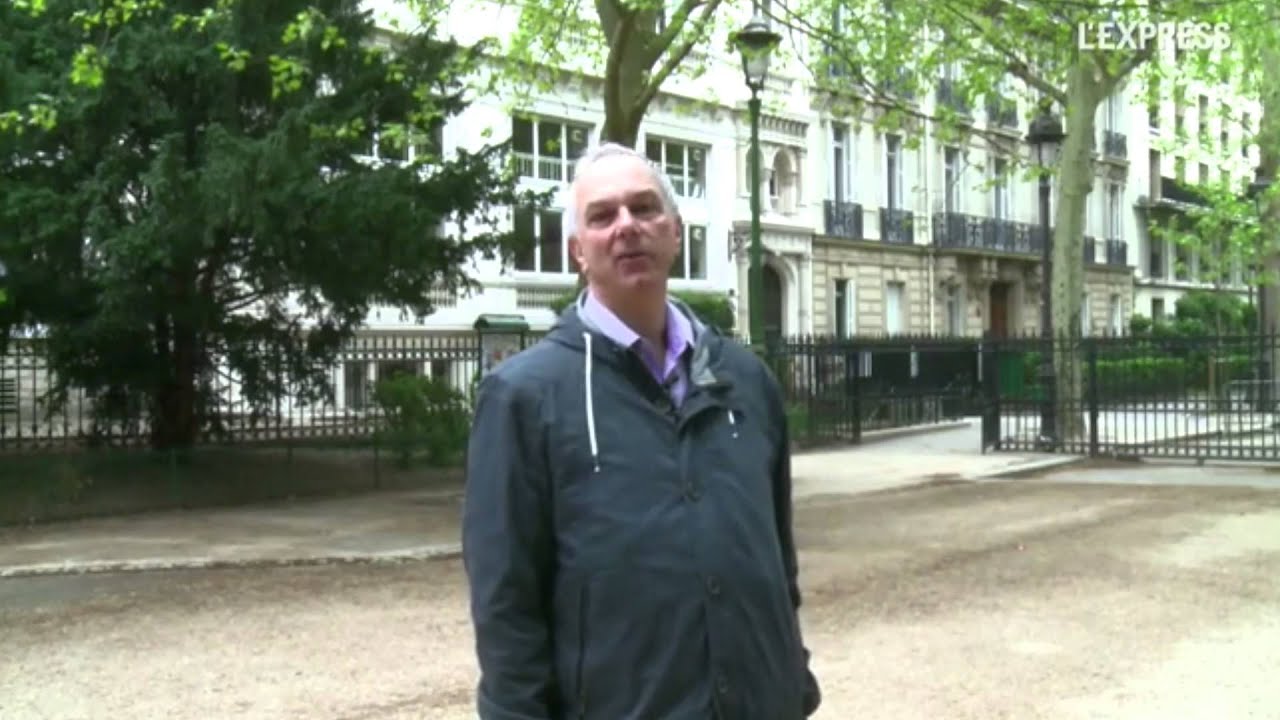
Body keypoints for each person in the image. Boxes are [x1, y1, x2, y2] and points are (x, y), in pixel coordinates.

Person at [461, 142, 821, 720]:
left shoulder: (746, 381)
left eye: (644, 208)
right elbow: (506, 604)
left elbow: (777, 557)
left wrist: (793, 679)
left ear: (675, 232)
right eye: (602, 216)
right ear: (579, 250)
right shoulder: (523, 399)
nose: (627, 226)